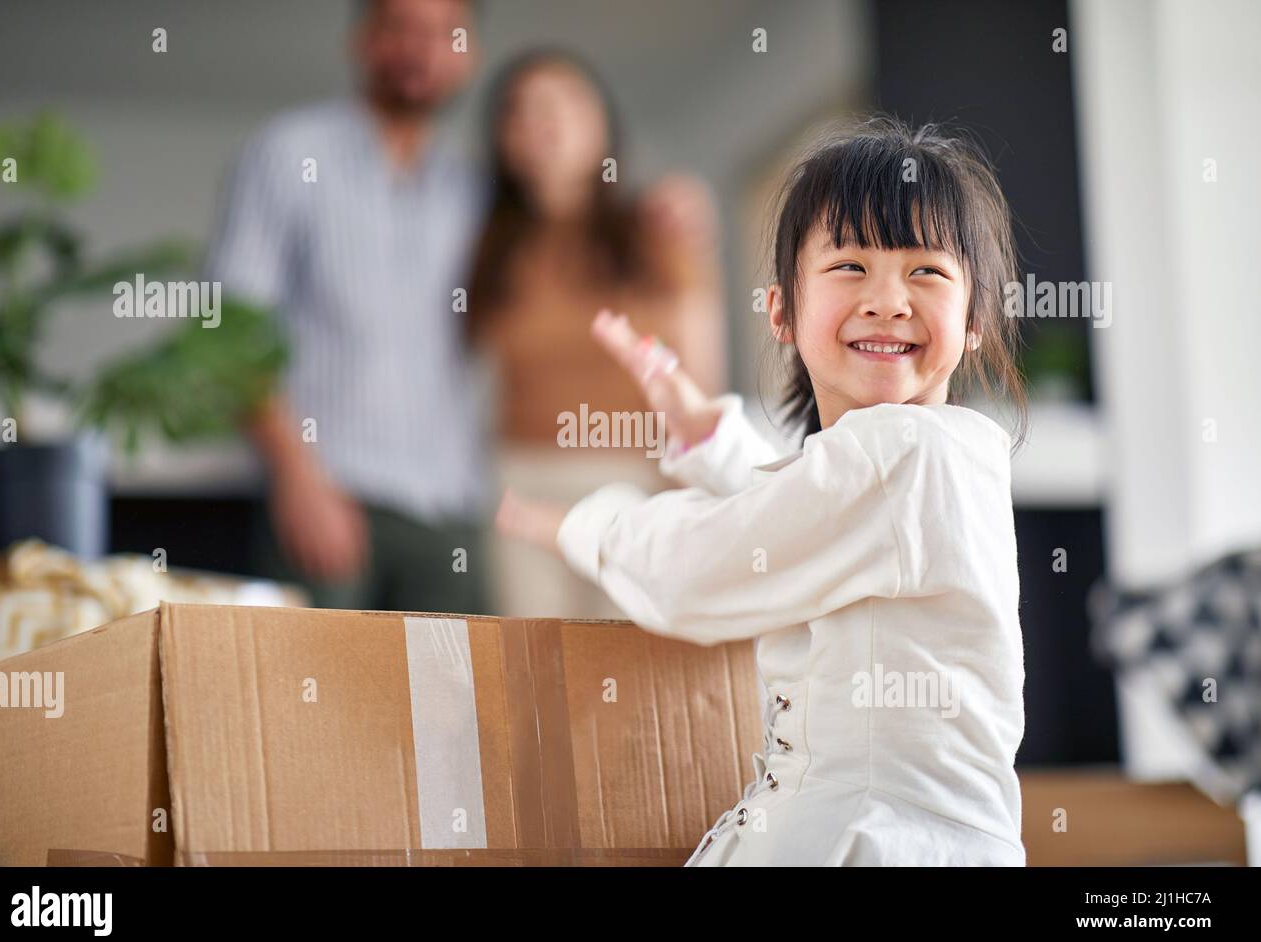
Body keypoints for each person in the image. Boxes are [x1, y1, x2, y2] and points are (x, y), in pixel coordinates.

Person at [498, 116, 1030, 865]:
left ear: (976, 319)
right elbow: (801, 517)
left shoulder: (907, 456)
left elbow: (700, 569)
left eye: (927, 272)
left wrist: (583, 525)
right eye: (849, 265)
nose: (888, 299)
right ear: (780, 309)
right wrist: (706, 434)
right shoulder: (913, 463)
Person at [206, 0, 491, 614]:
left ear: (470, 56)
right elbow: (230, 329)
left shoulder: (474, 189)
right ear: (361, 40)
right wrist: (297, 479)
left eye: (447, 33)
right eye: (402, 27)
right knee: (319, 702)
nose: (423, 47)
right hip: (327, 491)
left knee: (456, 705)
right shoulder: (286, 152)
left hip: (451, 507)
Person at [465, 49, 726, 618]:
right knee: (531, 673)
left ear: (603, 124)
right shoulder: (488, 246)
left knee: (623, 669)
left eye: (563, 103)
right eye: (523, 111)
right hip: (521, 479)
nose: (543, 124)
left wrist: (693, 491)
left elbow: (699, 374)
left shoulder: (659, 228)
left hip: (632, 483)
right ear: (502, 139)